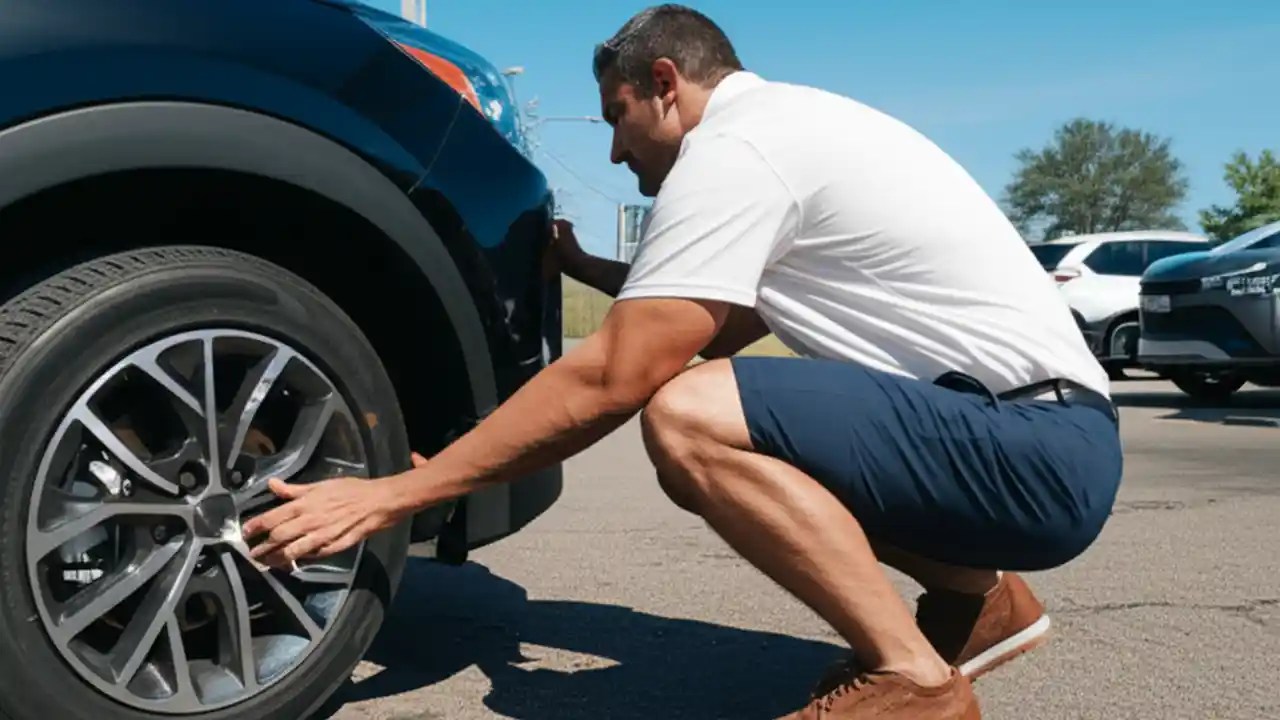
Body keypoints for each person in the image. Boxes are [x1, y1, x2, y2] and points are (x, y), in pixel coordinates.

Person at [241, 4, 1123, 718]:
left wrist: (400, 491)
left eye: (617, 118)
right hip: (1040, 436)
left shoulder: (737, 149)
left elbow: (618, 374)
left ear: (664, 85)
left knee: (688, 419)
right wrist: (589, 270)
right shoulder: (791, 129)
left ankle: (915, 682)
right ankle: (980, 603)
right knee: (720, 416)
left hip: (1031, 448)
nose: (617, 154)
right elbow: (707, 322)